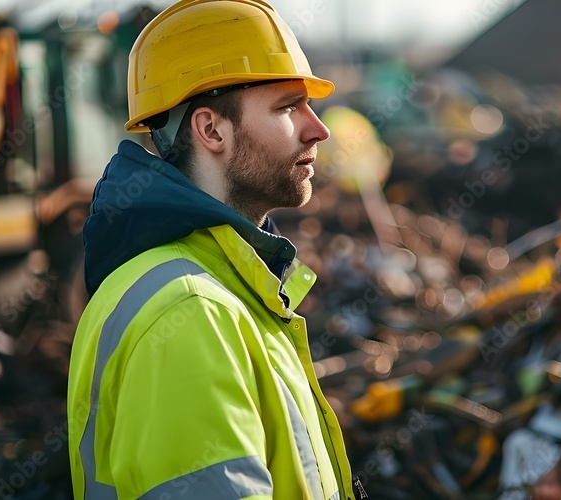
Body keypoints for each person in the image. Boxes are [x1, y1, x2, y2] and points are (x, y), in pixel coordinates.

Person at [67, 1, 365, 499]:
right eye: (289, 107)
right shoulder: (191, 311)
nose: (319, 129)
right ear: (210, 130)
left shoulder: (218, 284)